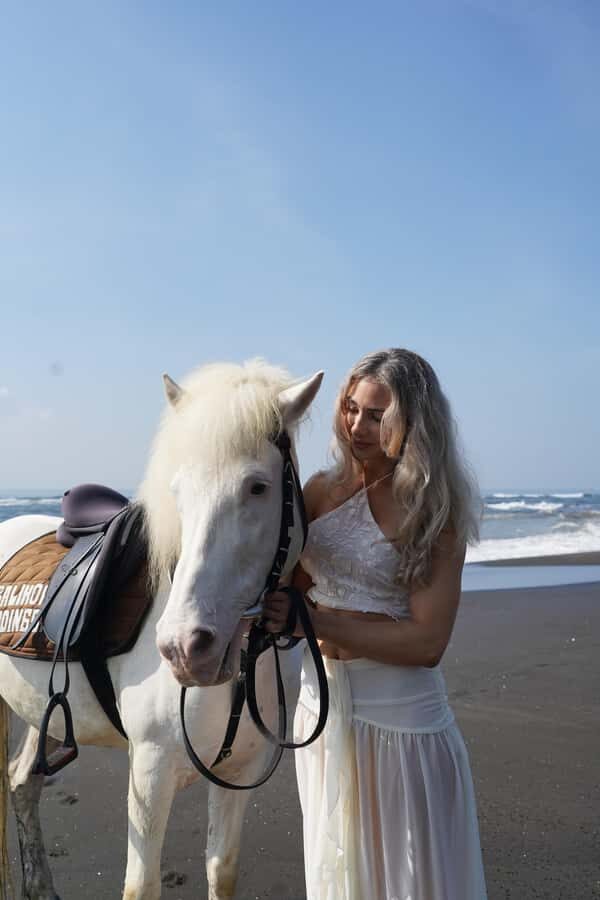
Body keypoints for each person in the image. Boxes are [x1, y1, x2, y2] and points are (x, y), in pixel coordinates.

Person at [263, 348, 487, 900]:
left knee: (406, 879)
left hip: (402, 725)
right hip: (320, 713)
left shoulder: (434, 510)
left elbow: (427, 641)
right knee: (336, 868)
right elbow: (286, 606)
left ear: (413, 421)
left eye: (377, 414)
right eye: (350, 408)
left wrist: (313, 619)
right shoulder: (316, 491)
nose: (357, 426)